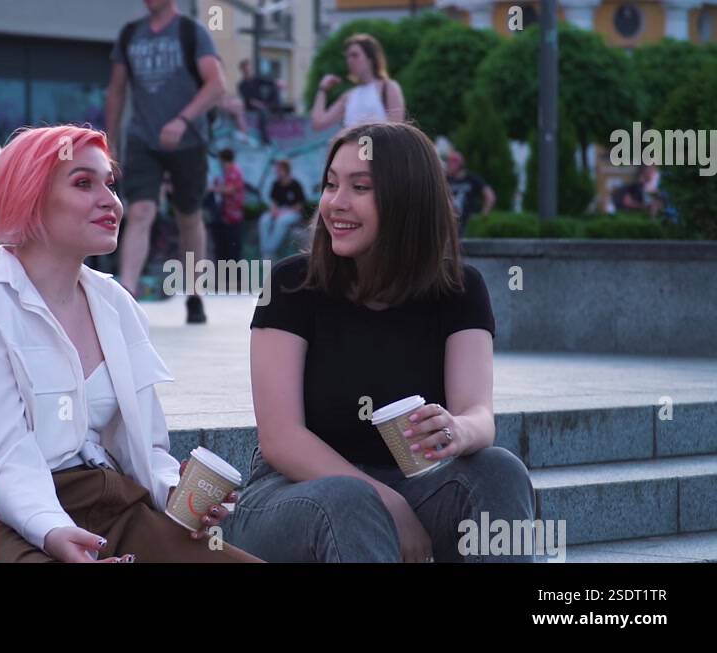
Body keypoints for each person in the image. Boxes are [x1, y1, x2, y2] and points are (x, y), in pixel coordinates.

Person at [0, 125, 261, 563]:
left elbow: (143, 443)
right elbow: (5, 459)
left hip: (108, 503)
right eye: (83, 183)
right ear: (28, 196)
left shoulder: (115, 303)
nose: (111, 201)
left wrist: (174, 493)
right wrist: (52, 529)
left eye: (109, 183)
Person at [222, 122, 536, 563]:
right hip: (291, 494)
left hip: (415, 482)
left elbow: (479, 415)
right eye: (331, 185)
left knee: (500, 470)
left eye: (360, 187)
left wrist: (455, 429)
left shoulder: (460, 289)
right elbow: (280, 439)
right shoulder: (291, 284)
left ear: (408, 198)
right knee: (353, 501)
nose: (336, 203)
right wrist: (387, 503)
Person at [106, 0, 228, 324]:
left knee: (188, 217)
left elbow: (217, 84)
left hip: (189, 139)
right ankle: (128, 293)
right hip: (143, 138)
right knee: (140, 210)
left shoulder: (192, 32)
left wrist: (182, 120)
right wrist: (109, 141)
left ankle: (195, 293)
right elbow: (116, 91)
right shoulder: (131, 35)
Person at [311, 33, 405, 133]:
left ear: (370, 59)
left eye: (355, 55)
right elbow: (318, 123)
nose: (349, 60)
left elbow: (397, 132)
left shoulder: (388, 88)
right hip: (354, 148)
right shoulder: (349, 96)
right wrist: (322, 89)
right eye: (347, 57)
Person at [257, 159, 307, 260]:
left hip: (293, 213)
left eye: (279, 170)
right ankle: (265, 251)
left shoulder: (295, 184)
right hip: (279, 210)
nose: (277, 172)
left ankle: (269, 250)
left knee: (281, 221)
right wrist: (274, 210)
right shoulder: (276, 184)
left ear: (286, 170)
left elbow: (299, 206)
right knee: (264, 220)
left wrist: (284, 212)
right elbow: (273, 202)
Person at [209, 148, 246, 264]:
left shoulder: (233, 171)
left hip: (232, 216)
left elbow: (230, 190)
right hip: (225, 215)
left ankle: (234, 277)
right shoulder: (226, 172)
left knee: (232, 248)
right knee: (223, 247)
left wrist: (213, 189)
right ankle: (225, 276)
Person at [445, 150, 496, 237]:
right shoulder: (446, 179)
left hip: (467, 225)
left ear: (459, 164)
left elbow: (490, 195)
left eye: (450, 163)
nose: (448, 165)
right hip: (449, 224)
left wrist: (483, 215)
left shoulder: (471, 179)